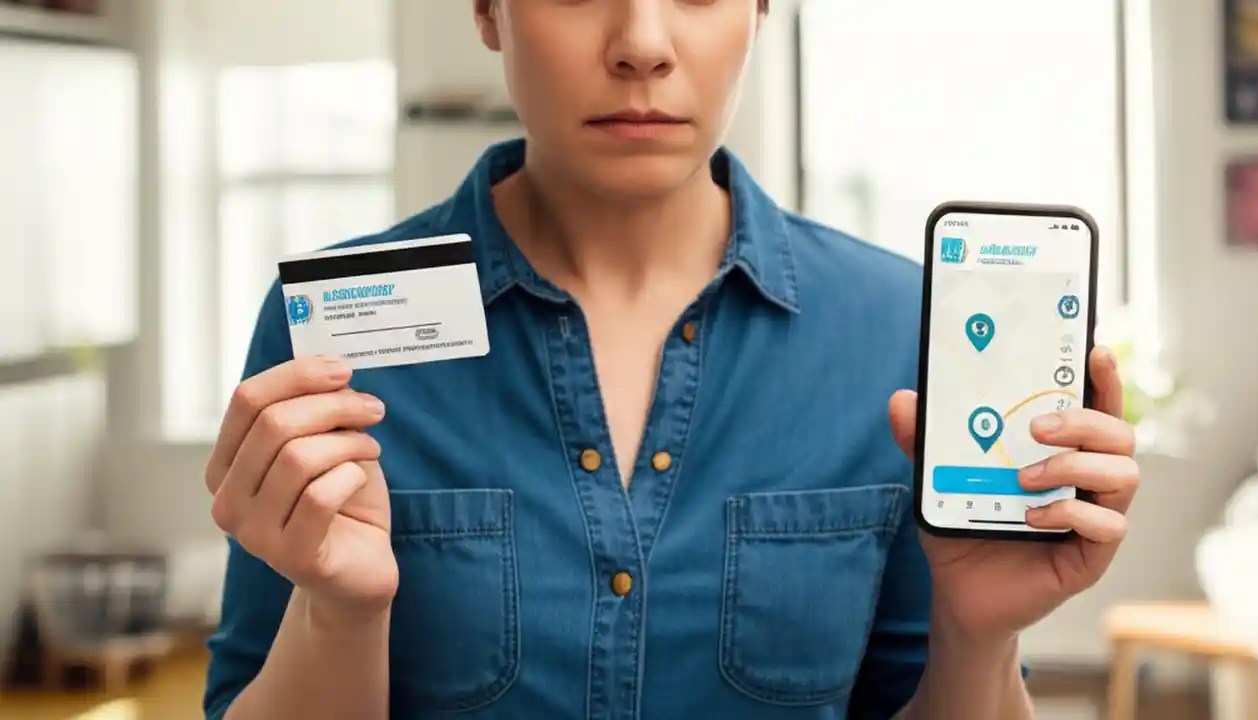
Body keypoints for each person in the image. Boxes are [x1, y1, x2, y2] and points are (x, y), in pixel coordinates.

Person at [202, 1, 1141, 718]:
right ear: (486, 8)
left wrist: (980, 638)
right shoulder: (328, 336)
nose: (642, 43)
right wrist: (341, 615)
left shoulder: (899, 330)